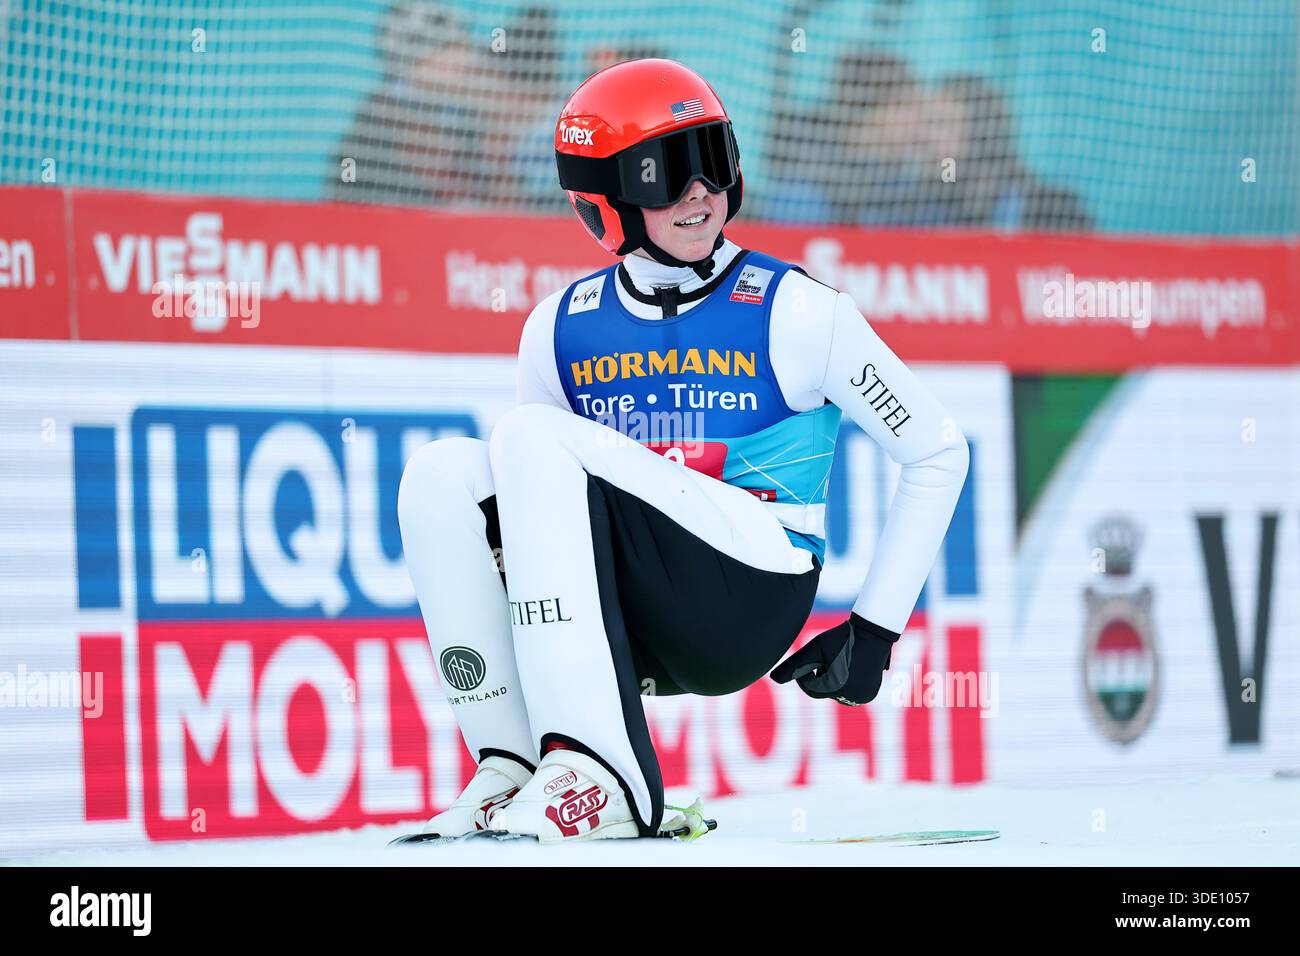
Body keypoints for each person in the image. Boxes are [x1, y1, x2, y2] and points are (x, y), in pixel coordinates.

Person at [397, 58, 970, 843]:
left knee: (525, 436)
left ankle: (604, 771)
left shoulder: (796, 308)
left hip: (749, 591)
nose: (700, 191)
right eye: (665, 171)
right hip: (639, 620)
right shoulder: (558, 327)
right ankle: (517, 763)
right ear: (604, 200)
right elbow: (539, 522)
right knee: (439, 476)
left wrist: (873, 631)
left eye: (713, 158)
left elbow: (937, 451)